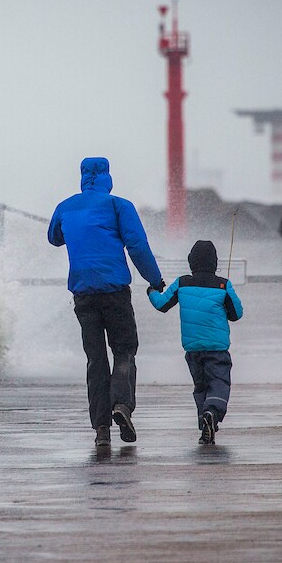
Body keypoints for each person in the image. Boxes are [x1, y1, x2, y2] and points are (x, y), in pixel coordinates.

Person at [48, 157, 165, 447]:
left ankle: (101, 429)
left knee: (95, 360)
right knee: (124, 351)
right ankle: (121, 406)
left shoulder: (65, 206)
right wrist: (155, 279)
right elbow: (137, 245)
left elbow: (54, 237)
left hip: (83, 293)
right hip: (114, 291)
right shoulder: (119, 206)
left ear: (82, 176)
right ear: (107, 176)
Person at [147, 240, 243, 445]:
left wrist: (151, 291)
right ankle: (212, 413)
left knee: (201, 387)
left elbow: (161, 305)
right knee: (219, 383)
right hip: (217, 349)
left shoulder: (182, 283)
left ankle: (205, 425)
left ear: (190, 261)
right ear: (215, 263)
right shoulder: (223, 284)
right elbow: (237, 314)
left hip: (192, 350)